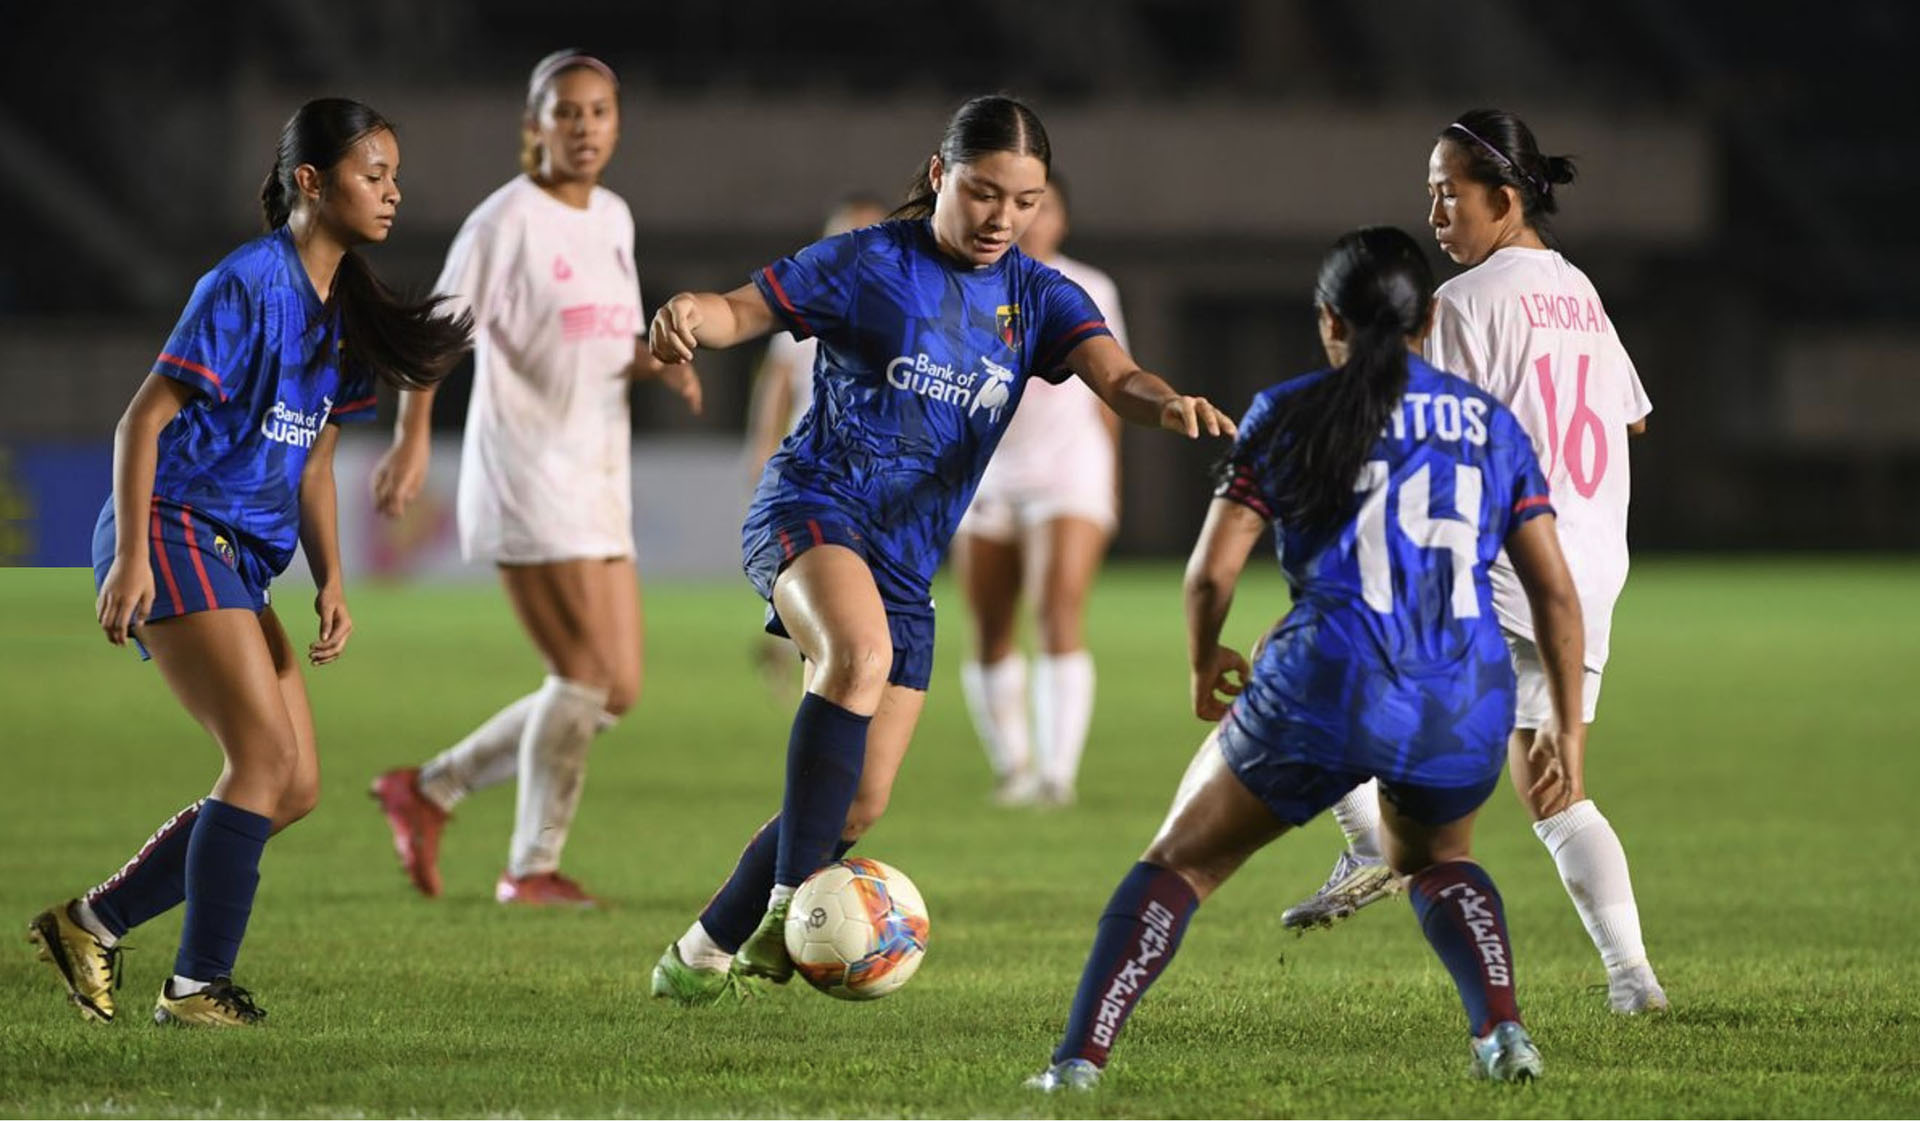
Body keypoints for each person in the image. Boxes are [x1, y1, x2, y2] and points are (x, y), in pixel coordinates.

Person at [643, 94, 1234, 1004]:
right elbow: (740, 309)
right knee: (858, 655)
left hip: (905, 559)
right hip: (811, 506)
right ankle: (795, 903)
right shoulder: (869, 259)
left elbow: (1116, 376)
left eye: (1025, 199)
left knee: (857, 805)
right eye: (985, 191)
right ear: (938, 175)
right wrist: (690, 311)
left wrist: (1166, 404)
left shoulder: (1039, 296)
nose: (1004, 217)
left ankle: (698, 954)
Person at [1027, 226, 1583, 1091]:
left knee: (1180, 863)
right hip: (1461, 693)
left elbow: (1211, 571)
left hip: (1326, 682)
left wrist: (1204, 655)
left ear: (1327, 319)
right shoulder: (1491, 424)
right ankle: (1504, 1034)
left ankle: (1076, 1063)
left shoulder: (1286, 410)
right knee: (1438, 861)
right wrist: (1567, 732)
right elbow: (1553, 593)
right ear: (1428, 319)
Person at [27, 98, 469, 1027]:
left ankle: (91, 921)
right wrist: (134, 557)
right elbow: (140, 419)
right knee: (261, 759)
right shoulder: (246, 284)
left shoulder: (338, 309)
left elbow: (312, 460)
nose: (393, 192)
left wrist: (333, 578)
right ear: (310, 182)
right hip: (174, 527)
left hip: (234, 553)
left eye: (394, 175)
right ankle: (195, 986)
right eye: (373, 174)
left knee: (294, 784)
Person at [1277, 109, 1666, 1015]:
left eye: (1449, 194)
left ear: (1504, 196)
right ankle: (1633, 978)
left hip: (1499, 558)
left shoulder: (1467, 301)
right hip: (1591, 566)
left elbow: (1407, 413)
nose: (1437, 212)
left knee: (1308, 665)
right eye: (1430, 196)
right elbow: (1633, 414)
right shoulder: (1580, 291)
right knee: (1554, 784)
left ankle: (1373, 842)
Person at [367, 51, 701, 908]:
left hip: (597, 474)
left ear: (617, 124)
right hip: (524, 472)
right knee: (585, 675)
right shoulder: (502, 224)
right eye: (566, 112)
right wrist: (410, 442)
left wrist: (656, 365)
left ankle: (431, 787)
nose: (583, 126)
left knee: (614, 689)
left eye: (598, 111)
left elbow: (599, 343)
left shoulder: (614, 219)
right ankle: (531, 868)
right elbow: (432, 339)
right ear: (534, 125)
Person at [952, 175, 1127, 806]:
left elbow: (1113, 385)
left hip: (1067, 471)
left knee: (1057, 611)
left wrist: (1109, 476)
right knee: (990, 626)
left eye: (1041, 205)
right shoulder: (967, 283)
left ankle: (1057, 773)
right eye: (1018, 204)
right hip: (988, 472)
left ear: (1062, 220)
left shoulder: (1089, 287)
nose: (1029, 217)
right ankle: (1014, 767)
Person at [743, 193, 889, 695]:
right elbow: (773, 402)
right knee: (847, 640)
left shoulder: (908, 321)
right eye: (846, 236)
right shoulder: (799, 323)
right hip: (816, 487)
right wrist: (761, 461)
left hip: (881, 498)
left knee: (870, 645)